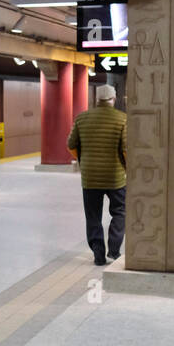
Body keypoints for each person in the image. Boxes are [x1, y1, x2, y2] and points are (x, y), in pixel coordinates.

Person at [67, 84, 127, 265]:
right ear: (114, 99)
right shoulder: (122, 119)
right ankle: (114, 250)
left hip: (90, 178)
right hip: (115, 177)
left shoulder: (82, 118)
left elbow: (71, 145)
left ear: (96, 99)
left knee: (93, 215)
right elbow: (126, 150)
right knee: (120, 212)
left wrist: (83, 161)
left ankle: (98, 254)